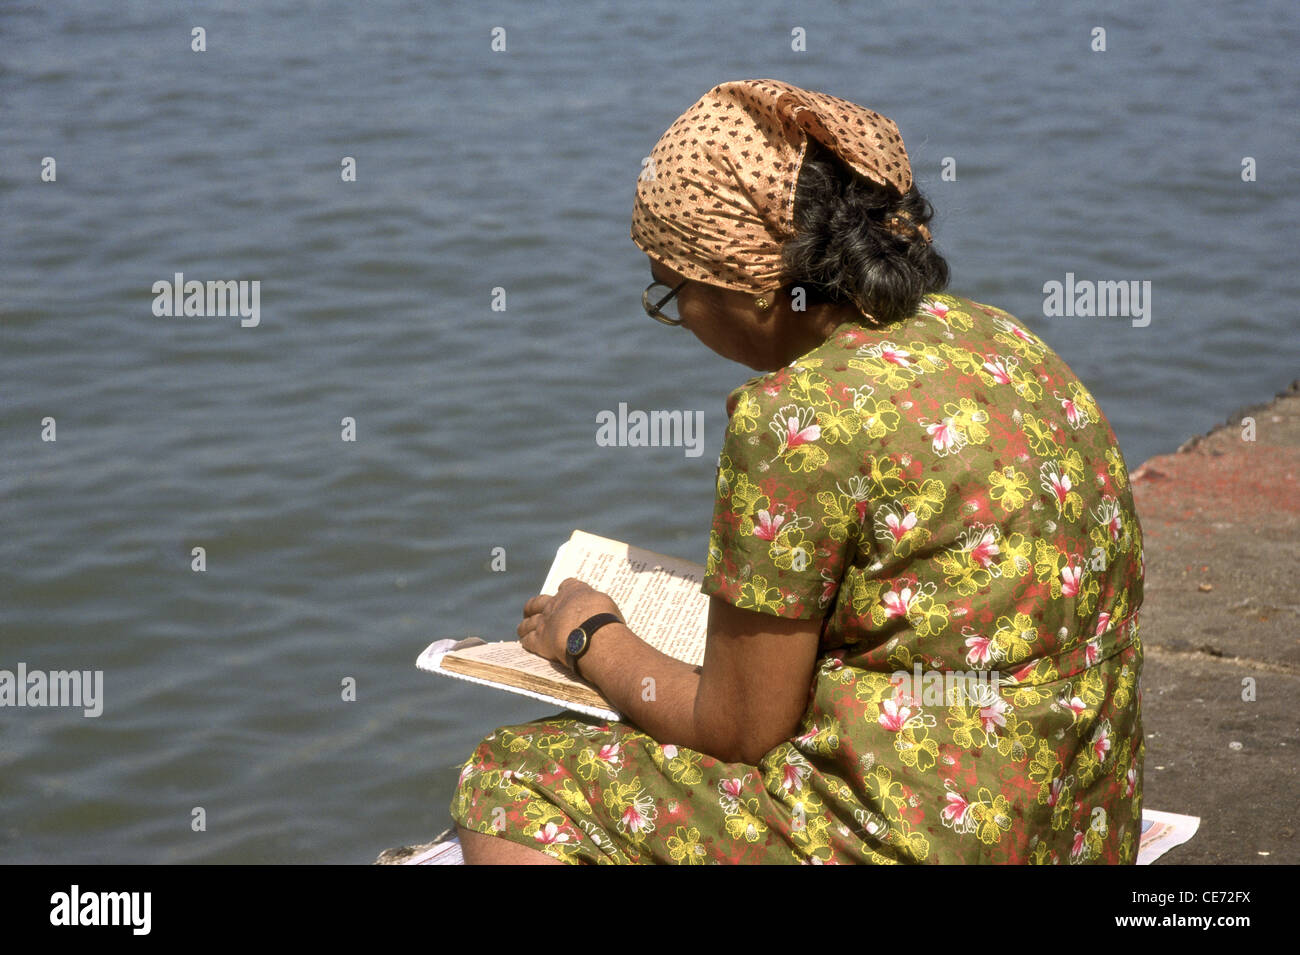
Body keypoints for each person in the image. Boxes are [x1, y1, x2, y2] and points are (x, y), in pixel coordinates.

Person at [450, 79, 1145, 864]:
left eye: (670, 290)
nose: (676, 318)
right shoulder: (1004, 342)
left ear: (748, 282)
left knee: (511, 777)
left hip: (920, 839)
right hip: (1076, 823)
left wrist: (589, 637)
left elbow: (739, 729)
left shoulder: (797, 417)